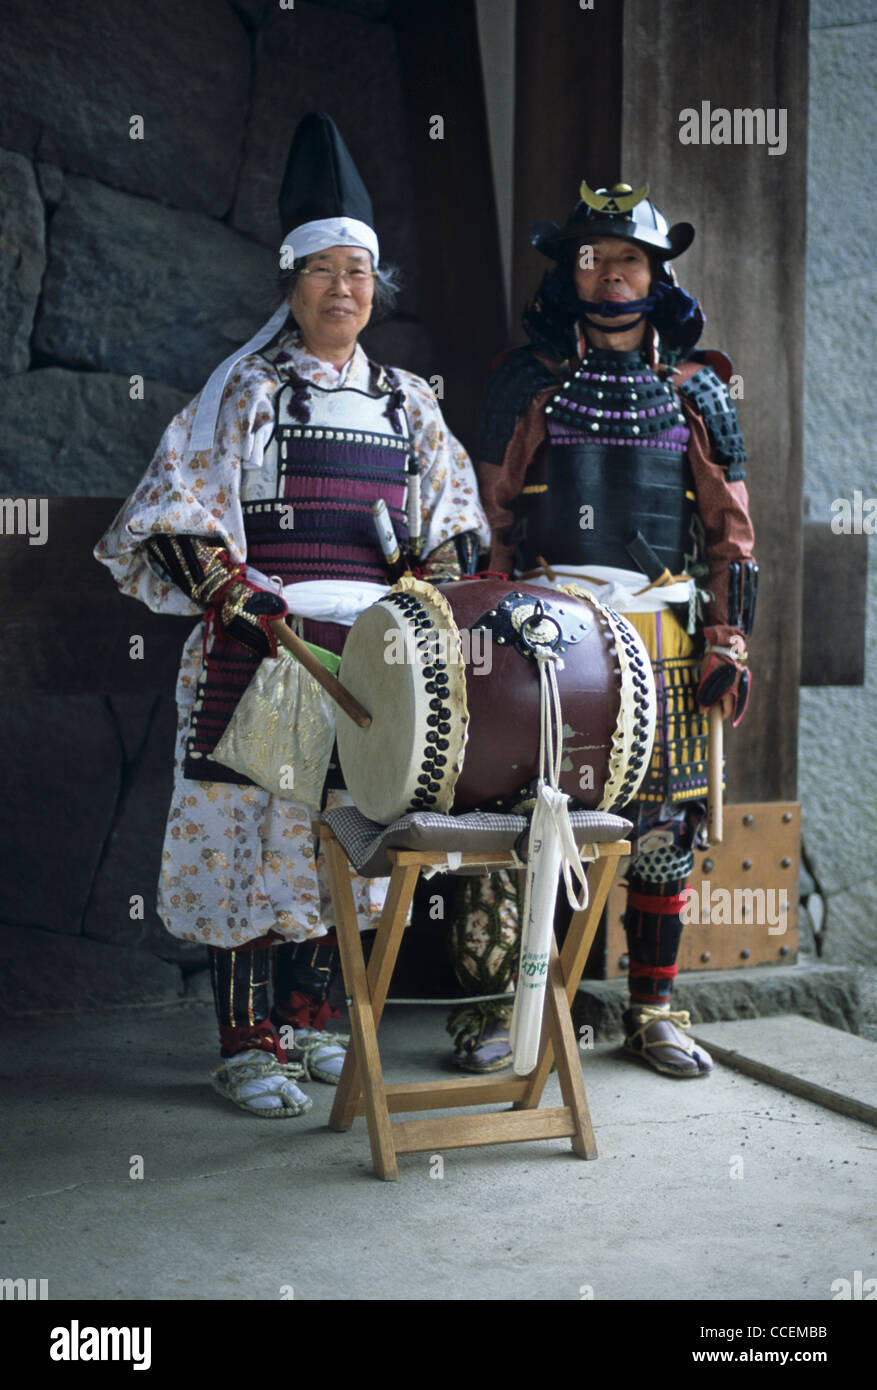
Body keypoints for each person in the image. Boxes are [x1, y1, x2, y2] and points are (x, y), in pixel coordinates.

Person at [95, 112, 489, 1116]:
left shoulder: (409, 406)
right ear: (290, 281)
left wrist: (419, 590)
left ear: (375, 287)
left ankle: (315, 1022)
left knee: (340, 841)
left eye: (357, 271)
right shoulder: (243, 393)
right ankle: (246, 1042)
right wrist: (238, 596)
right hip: (263, 654)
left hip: (372, 671)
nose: (342, 288)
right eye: (322, 270)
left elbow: (456, 537)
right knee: (251, 841)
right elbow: (174, 513)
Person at [470, 179, 757, 1077]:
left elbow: (732, 537)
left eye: (630, 258)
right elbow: (491, 523)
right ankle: (512, 1012)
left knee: (663, 830)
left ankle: (653, 1010)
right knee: (528, 819)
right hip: (548, 635)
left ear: (656, 273)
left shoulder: (698, 390)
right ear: (570, 274)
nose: (611, 276)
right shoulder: (524, 382)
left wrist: (727, 643)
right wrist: (483, 636)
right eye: (592, 258)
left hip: (664, 632)